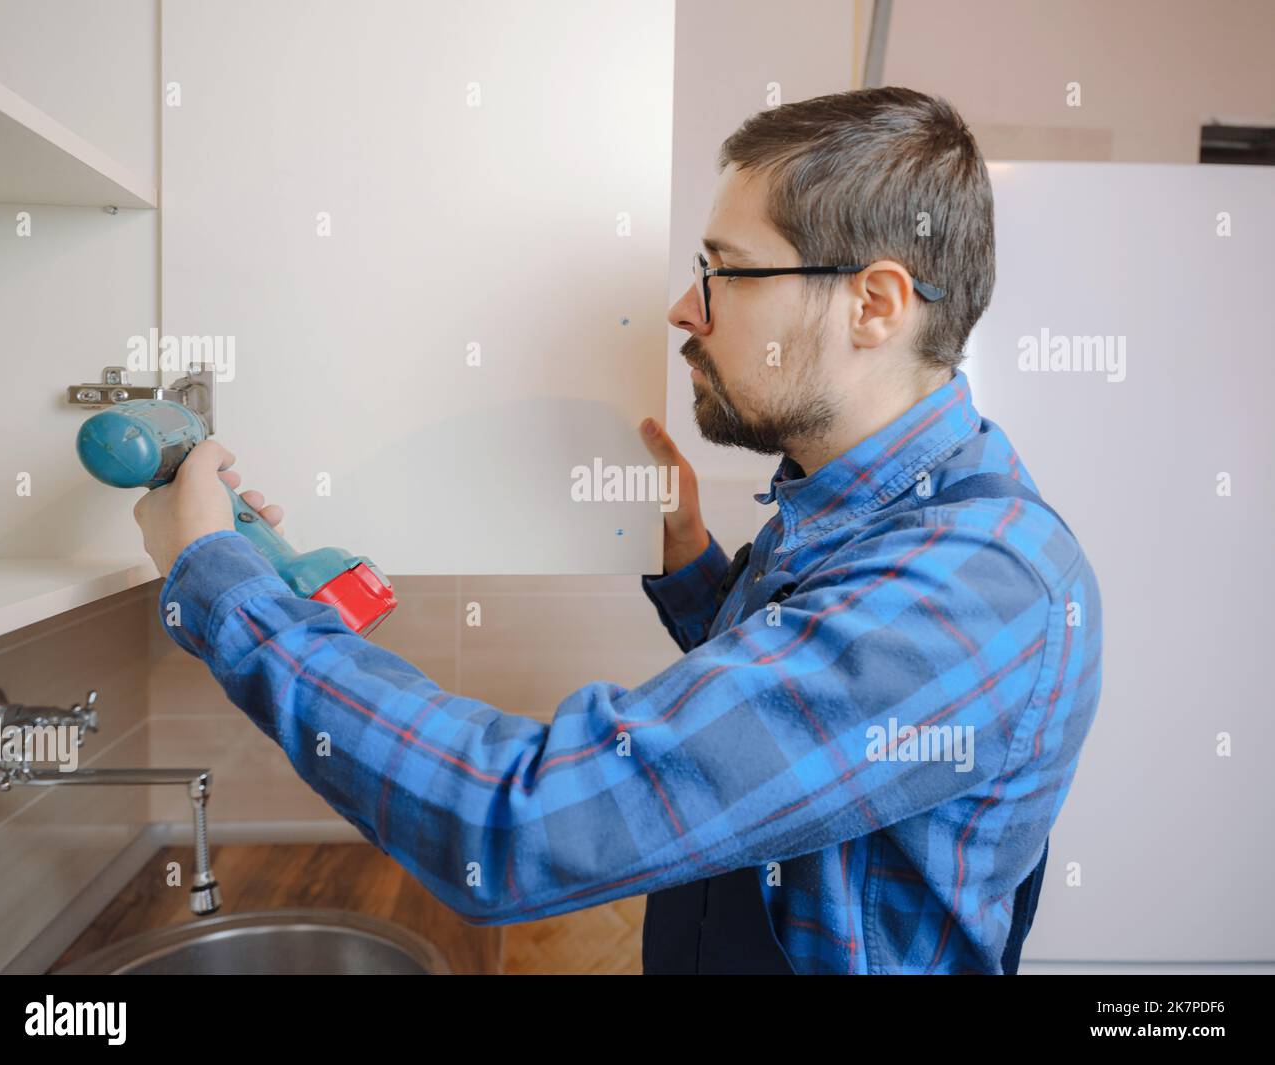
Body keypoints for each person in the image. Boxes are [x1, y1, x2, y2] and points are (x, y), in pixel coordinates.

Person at [133, 86, 1102, 975]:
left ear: (874, 303)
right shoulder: (861, 510)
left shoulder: (972, 583)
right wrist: (687, 556)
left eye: (724, 272)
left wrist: (221, 586)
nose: (685, 309)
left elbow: (517, 828)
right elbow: (789, 710)